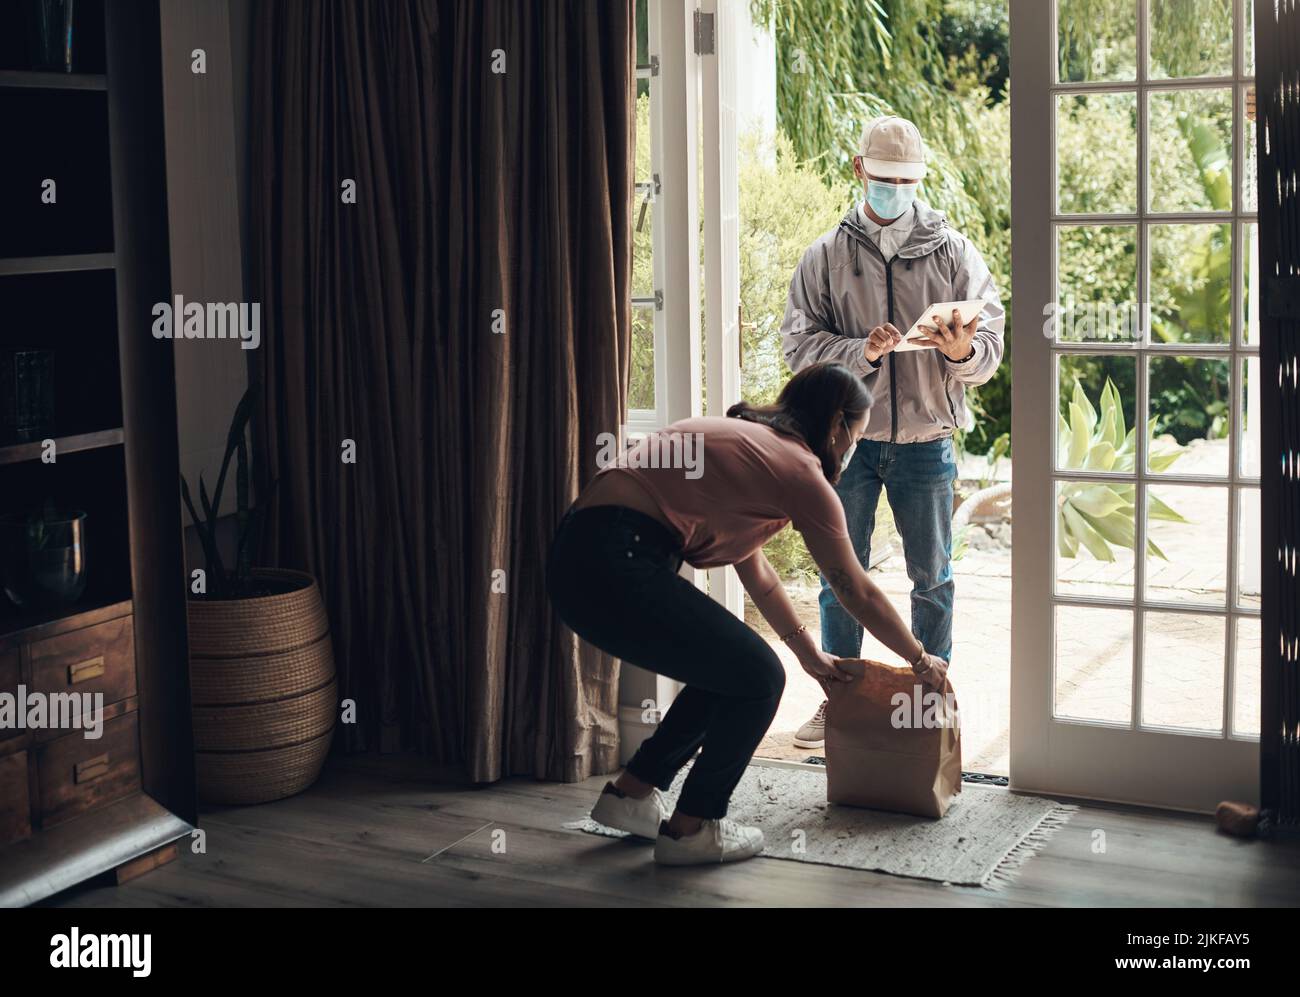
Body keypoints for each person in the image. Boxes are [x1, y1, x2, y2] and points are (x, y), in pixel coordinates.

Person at [544, 362, 949, 866]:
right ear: (837, 426)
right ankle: (693, 829)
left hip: (576, 558)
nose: (851, 449)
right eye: (856, 437)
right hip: (619, 558)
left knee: (731, 670)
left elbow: (759, 576)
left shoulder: (745, 445)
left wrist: (811, 657)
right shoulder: (799, 471)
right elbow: (855, 589)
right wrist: (919, 658)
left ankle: (631, 794)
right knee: (758, 676)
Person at [779, 114, 1005, 750]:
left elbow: (989, 350)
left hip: (927, 442)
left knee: (931, 577)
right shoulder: (824, 255)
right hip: (842, 443)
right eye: (884, 179)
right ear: (860, 172)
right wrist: (862, 353)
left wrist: (961, 352)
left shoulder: (956, 252)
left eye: (908, 180)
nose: (896, 189)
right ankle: (839, 697)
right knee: (838, 576)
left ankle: (928, 702)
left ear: (920, 179)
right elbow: (798, 348)